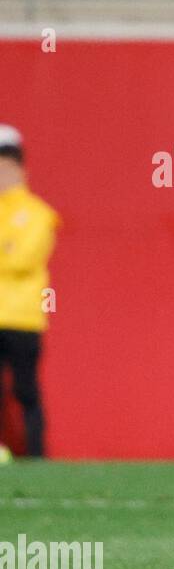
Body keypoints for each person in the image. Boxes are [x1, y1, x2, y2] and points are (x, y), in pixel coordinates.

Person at [0, 125, 59, 458]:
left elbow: (24, 258)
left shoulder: (36, 213)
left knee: (25, 389)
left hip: (23, 316)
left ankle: (37, 456)